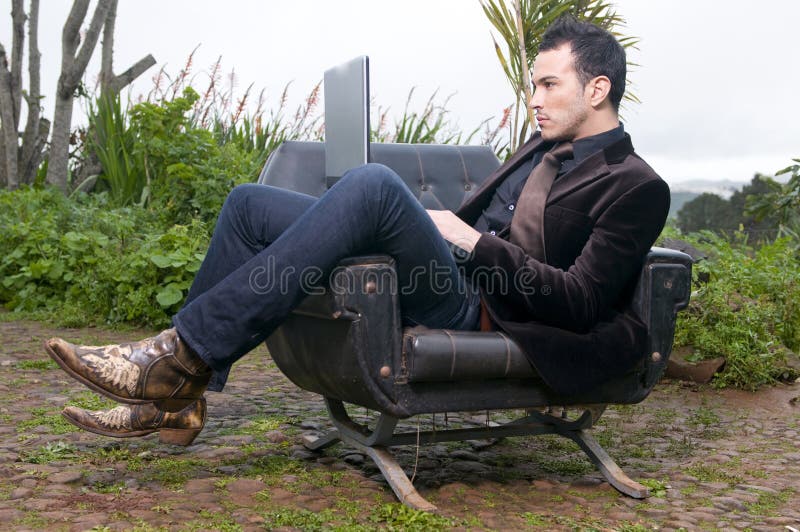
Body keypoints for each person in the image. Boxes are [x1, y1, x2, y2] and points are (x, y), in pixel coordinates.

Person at [48, 16, 670, 446]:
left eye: (548, 84)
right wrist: (442, 234)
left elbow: (583, 300)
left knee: (373, 184)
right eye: (533, 83)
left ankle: (174, 360)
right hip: (446, 271)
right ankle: (181, 401)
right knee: (248, 206)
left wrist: (472, 243)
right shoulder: (542, 145)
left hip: (485, 308)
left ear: (597, 88)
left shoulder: (635, 186)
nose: (534, 97)